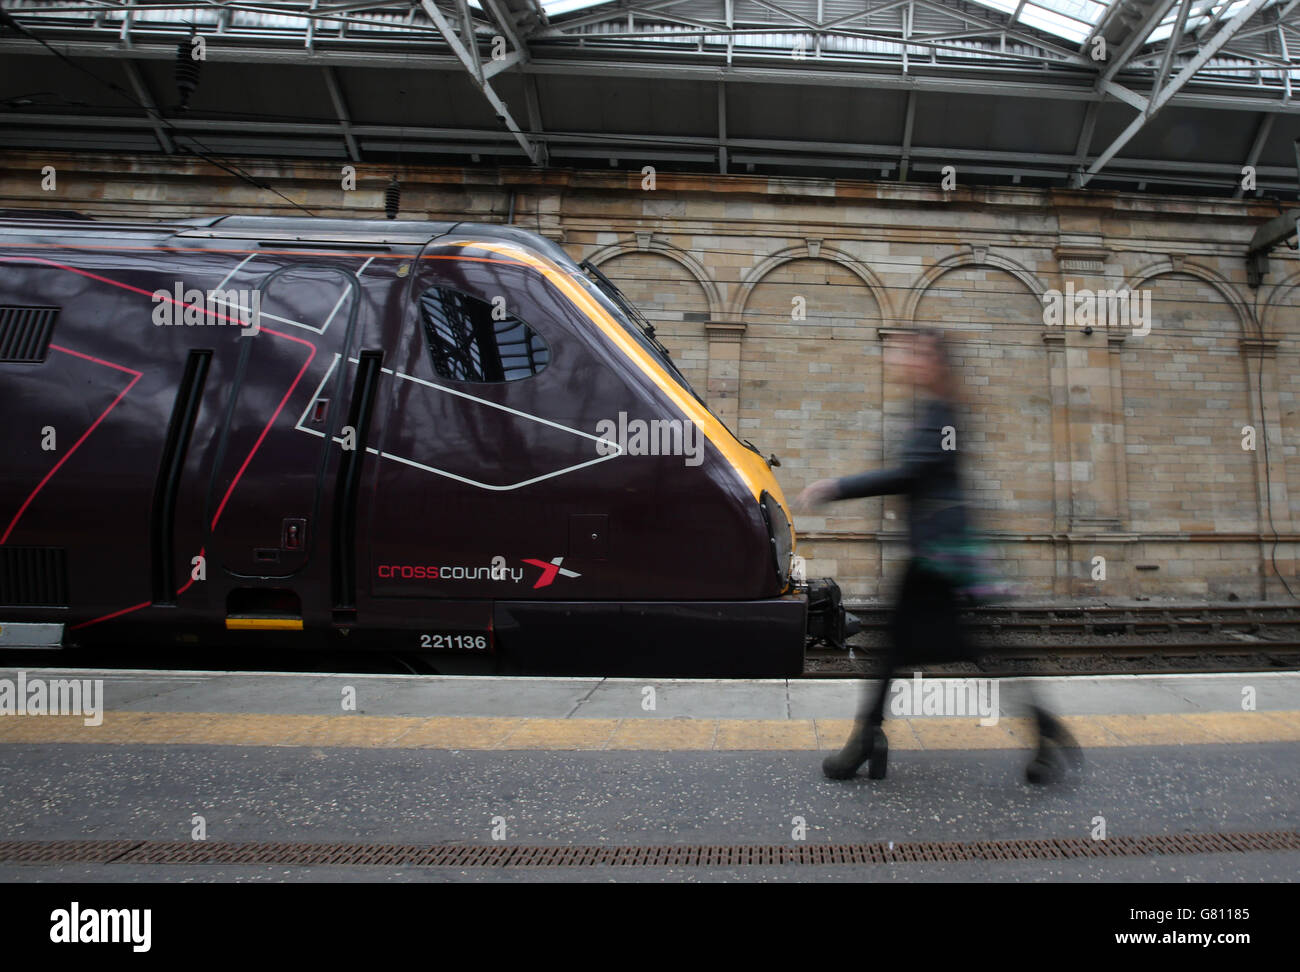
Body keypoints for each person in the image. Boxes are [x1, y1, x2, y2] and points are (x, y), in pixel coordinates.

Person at [794, 328, 1080, 785]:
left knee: (958, 648)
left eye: (918, 353)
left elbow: (914, 474)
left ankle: (868, 741)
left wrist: (838, 487)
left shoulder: (943, 413)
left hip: (941, 557)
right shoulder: (929, 409)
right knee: (919, 649)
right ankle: (870, 739)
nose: (907, 359)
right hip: (934, 552)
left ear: (936, 363)